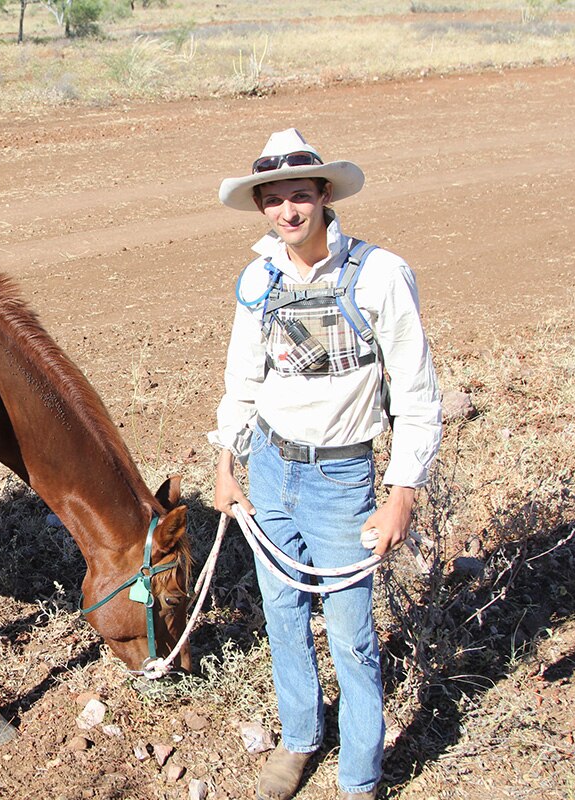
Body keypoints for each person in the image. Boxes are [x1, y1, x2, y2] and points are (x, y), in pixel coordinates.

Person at [208, 129, 442, 800]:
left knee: (352, 635)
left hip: (343, 481)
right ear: (262, 209)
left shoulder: (380, 275)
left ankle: (361, 776)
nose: (289, 211)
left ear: (324, 197)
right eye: (274, 199)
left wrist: (401, 494)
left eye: (300, 196)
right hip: (273, 474)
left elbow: (418, 394)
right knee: (282, 613)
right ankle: (300, 738)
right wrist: (229, 465)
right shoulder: (258, 280)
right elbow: (242, 382)